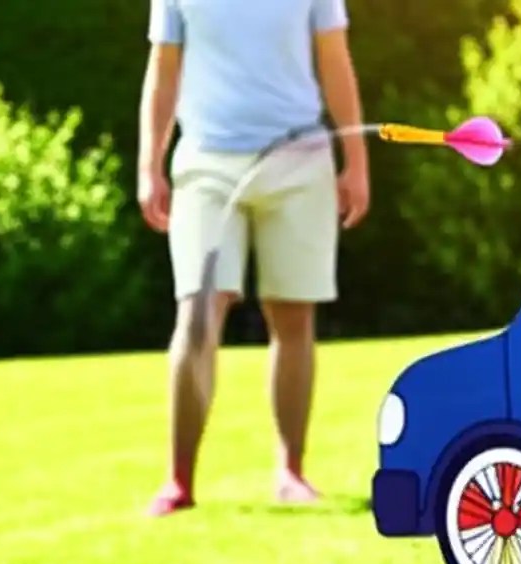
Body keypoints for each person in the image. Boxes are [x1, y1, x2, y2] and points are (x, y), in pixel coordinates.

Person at [137, 0, 370, 515]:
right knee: (198, 311)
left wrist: (356, 163)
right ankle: (180, 481)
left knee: (292, 315)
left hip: (300, 159)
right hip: (206, 162)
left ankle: (291, 471)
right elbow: (164, 67)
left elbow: (335, 58)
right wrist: (148, 164)